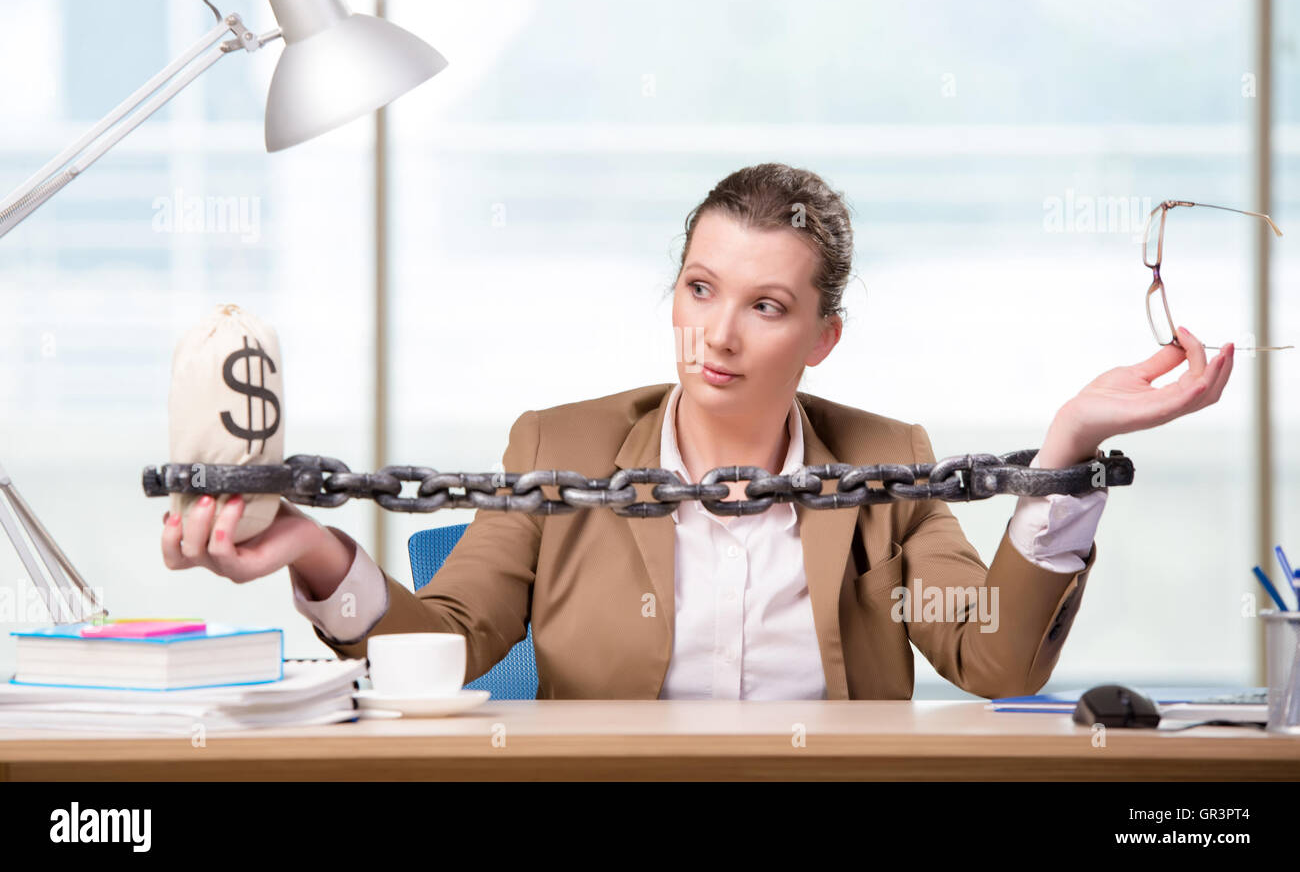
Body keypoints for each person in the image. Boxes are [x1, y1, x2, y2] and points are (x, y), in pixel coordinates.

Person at [159, 163, 1234, 699]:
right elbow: (437, 648)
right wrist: (309, 544)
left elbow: (995, 658)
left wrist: (1068, 442)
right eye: (699, 286)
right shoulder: (559, 449)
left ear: (822, 338)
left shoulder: (887, 460)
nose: (715, 333)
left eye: (765, 306)